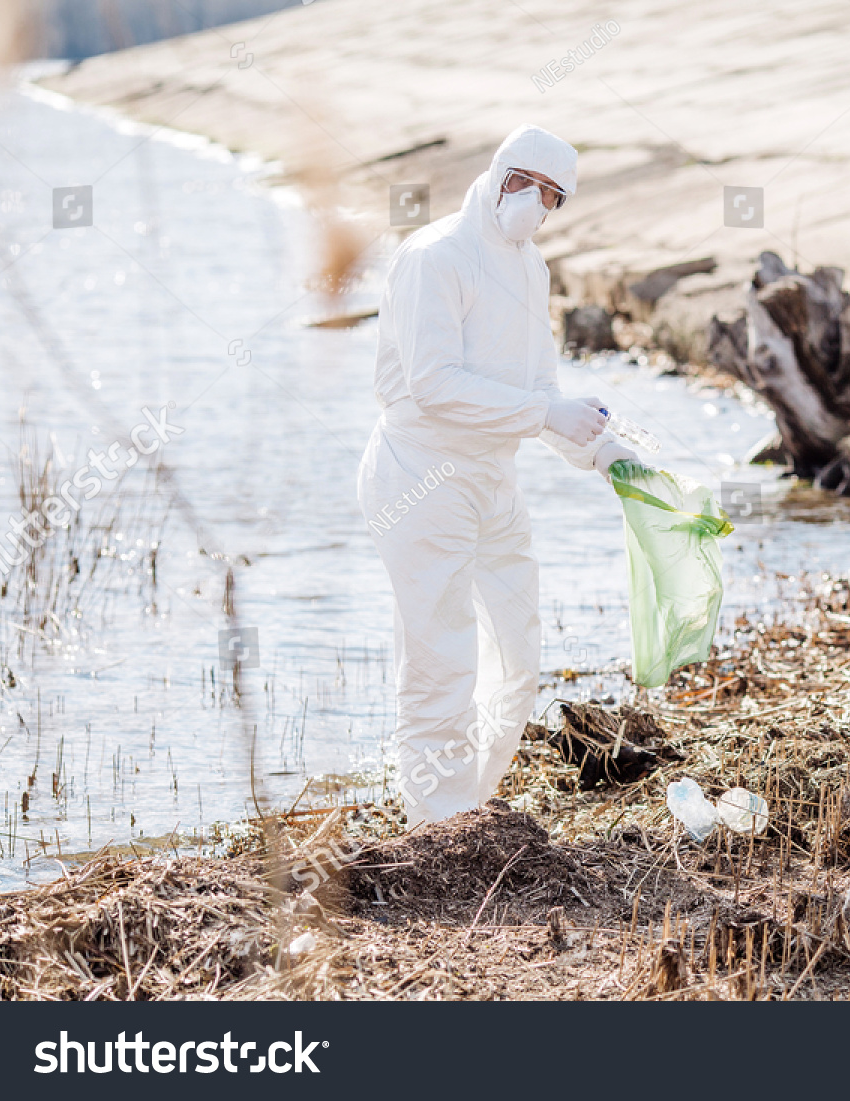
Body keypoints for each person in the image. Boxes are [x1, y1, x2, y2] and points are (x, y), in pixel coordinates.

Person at [357, 123, 637, 825]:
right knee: (440, 657)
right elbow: (434, 385)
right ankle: (435, 825)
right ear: (498, 174)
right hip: (422, 473)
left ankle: (469, 806)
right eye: (529, 185)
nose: (535, 204)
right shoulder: (435, 257)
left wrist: (600, 450)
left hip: (492, 476)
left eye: (553, 197)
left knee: (517, 650)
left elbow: (540, 385)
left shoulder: (530, 267)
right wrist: (545, 411)